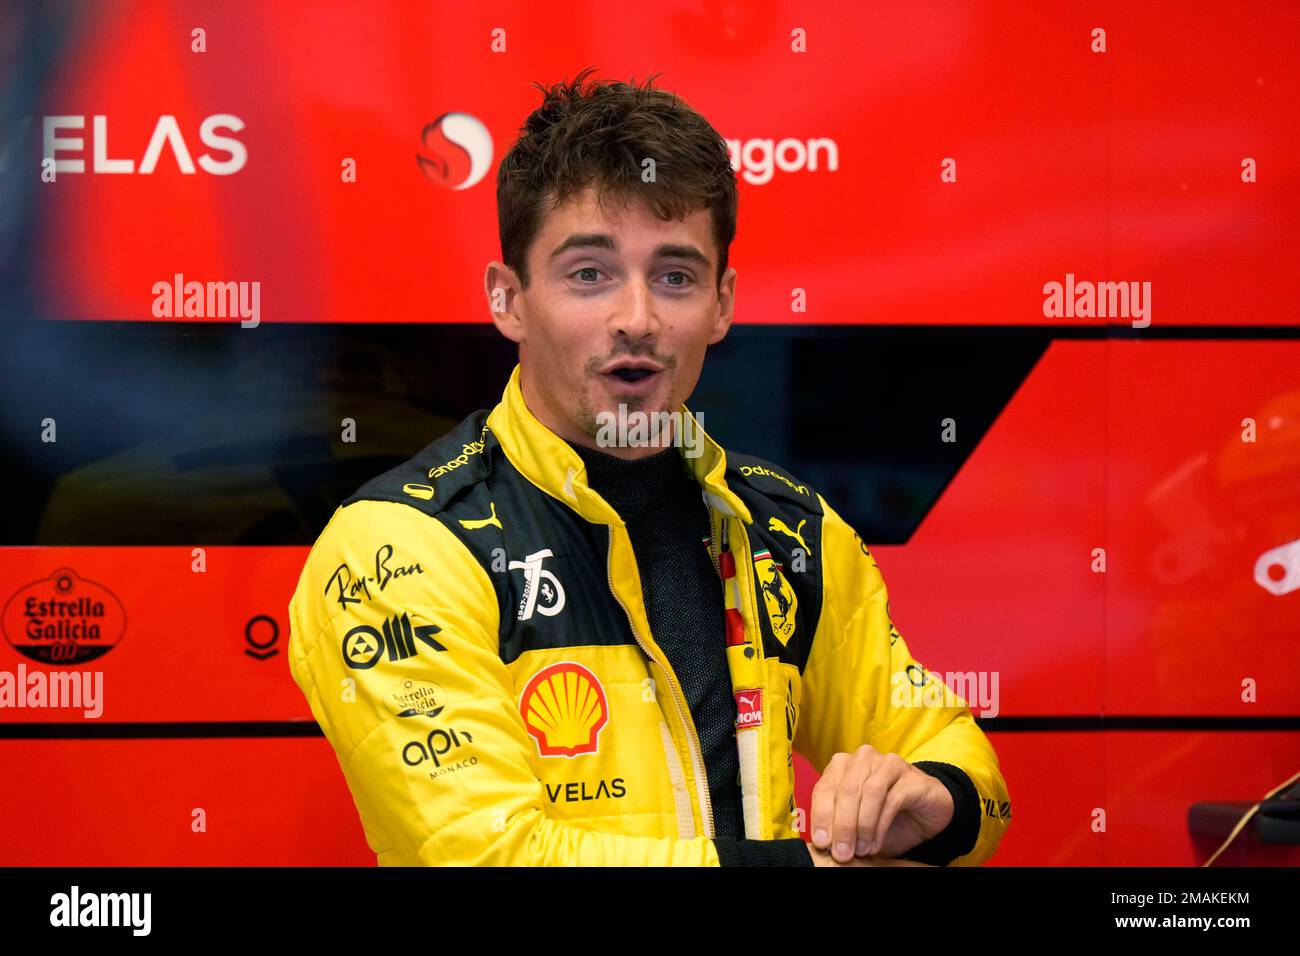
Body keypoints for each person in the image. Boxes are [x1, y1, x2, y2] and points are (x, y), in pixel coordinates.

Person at [287, 68, 1011, 867]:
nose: (637, 319)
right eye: (588, 274)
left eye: (675, 276)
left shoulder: (785, 528)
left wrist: (935, 799)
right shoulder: (399, 547)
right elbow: (489, 856)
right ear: (508, 299)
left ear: (723, 302)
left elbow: (956, 753)